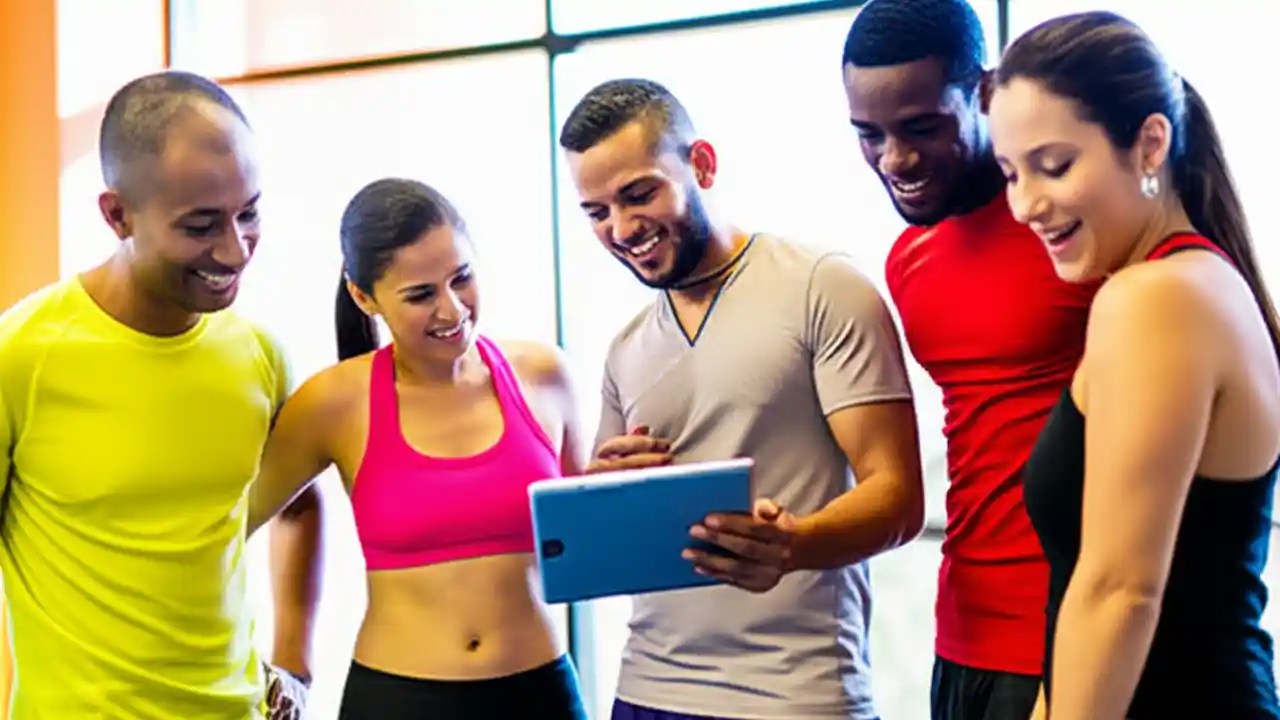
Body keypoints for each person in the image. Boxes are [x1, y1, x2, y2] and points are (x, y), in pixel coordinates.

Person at [560, 77, 926, 720]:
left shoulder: (823, 288)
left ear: (701, 164)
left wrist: (795, 545)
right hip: (647, 688)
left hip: (794, 695)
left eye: (639, 194)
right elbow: (609, 552)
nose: (621, 227)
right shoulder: (626, 348)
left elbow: (898, 499)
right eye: (596, 212)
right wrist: (603, 493)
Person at [988, 11, 1280, 720]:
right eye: (1009, 173)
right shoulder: (1186, 283)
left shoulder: (1155, 297)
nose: (1025, 204)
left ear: (1150, 144)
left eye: (1054, 166)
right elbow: (1081, 592)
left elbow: (1120, 591)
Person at [0, 70, 308, 718]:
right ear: (118, 215)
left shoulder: (259, 353)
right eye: (201, 226)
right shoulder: (21, 356)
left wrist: (296, 661)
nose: (236, 249)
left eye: (248, 212)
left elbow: (300, 506)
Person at [246, 177, 590, 719]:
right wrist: (291, 657)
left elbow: (587, 542)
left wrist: (634, 485)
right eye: (421, 295)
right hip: (398, 699)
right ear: (364, 296)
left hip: (540, 694)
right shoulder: (333, 401)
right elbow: (238, 521)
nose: (452, 310)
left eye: (462, 279)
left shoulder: (544, 375)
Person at [840, 2, 1098, 718]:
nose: (895, 159)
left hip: (1077, 636)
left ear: (985, 93)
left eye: (923, 127)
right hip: (960, 641)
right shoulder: (908, 259)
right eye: (870, 135)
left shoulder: (1078, 234)